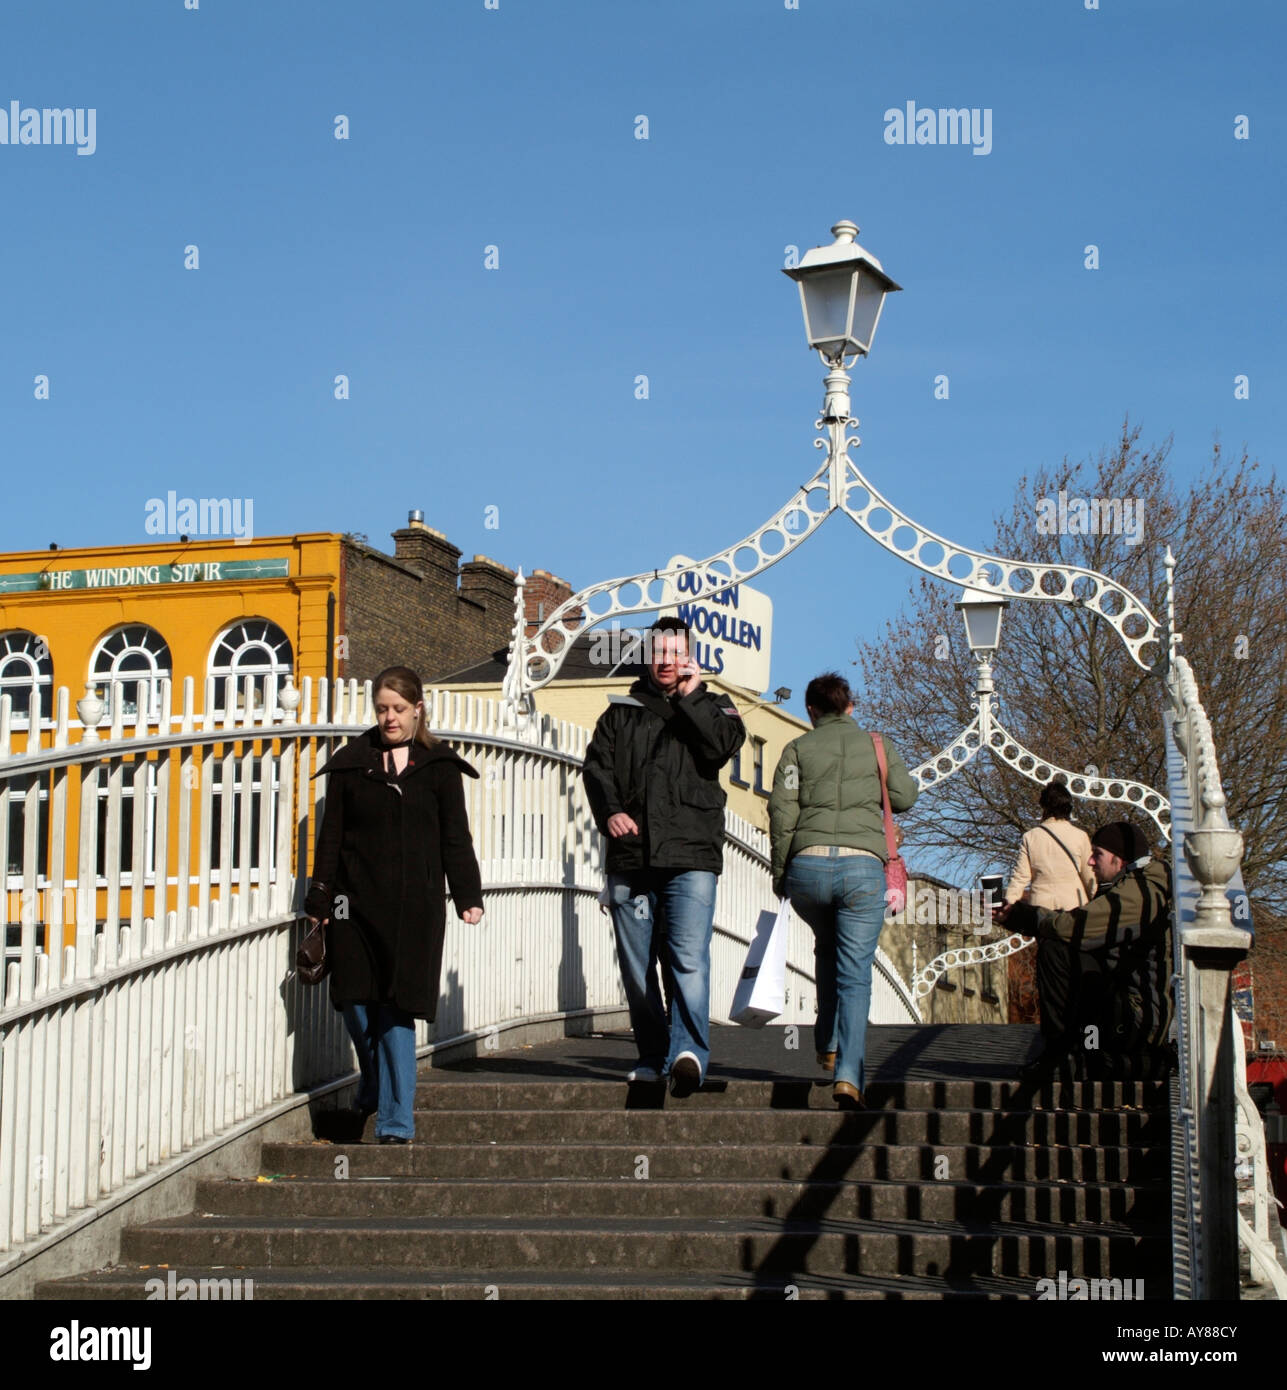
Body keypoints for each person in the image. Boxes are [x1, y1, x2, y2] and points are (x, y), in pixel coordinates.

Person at [304, 666, 484, 1142]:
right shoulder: (351, 763)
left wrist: (468, 896)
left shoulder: (439, 767)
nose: (389, 718)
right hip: (352, 906)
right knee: (354, 1003)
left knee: (396, 1009)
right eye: (382, 709)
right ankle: (375, 1081)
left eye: (399, 709)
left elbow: (455, 837)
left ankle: (395, 1122)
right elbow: (331, 837)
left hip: (415, 908)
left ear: (418, 709)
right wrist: (321, 896)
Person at [581, 616, 746, 1094]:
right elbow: (596, 768)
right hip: (632, 857)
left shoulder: (717, 707)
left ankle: (690, 1052)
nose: (667, 661)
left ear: (690, 657)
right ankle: (653, 1055)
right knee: (637, 968)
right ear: (647, 656)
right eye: (660, 652)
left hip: (691, 855)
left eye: (677, 653)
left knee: (688, 957)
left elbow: (719, 749)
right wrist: (610, 811)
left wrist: (691, 697)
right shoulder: (620, 711)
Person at [769, 673, 918, 1109]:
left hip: (809, 869)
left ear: (811, 710)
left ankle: (825, 1040)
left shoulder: (796, 749)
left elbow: (781, 812)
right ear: (850, 707)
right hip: (861, 869)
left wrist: (782, 873)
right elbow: (905, 797)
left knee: (826, 946)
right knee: (855, 972)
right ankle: (848, 1076)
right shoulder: (877, 745)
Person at [998, 820, 1172, 1081]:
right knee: (1074, 954)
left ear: (1119, 859)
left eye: (1098, 854)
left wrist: (1022, 916)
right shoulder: (1139, 885)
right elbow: (1081, 927)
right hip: (1136, 1015)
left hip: (1138, 1023)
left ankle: (1068, 1054)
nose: (1090, 862)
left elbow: (1076, 927)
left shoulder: (1139, 894)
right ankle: (1085, 1053)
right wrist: (1015, 915)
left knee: (1058, 949)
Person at [1001, 779, 1096, 914]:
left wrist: (1008, 903)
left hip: (1041, 907)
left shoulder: (1031, 837)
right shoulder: (1080, 836)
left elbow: (1020, 877)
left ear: (1044, 806)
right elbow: (1089, 877)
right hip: (1074, 905)